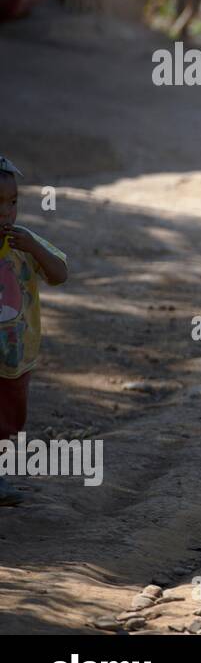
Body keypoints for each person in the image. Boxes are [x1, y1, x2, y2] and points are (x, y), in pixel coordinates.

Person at [0, 155, 69, 506]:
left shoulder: (23, 246)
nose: (6, 213)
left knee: (11, 416)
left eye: (12, 203)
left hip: (15, 352)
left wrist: (35, 247)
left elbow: (59, 274)